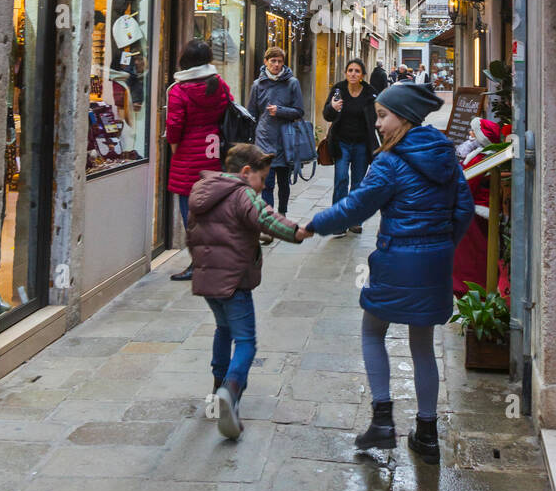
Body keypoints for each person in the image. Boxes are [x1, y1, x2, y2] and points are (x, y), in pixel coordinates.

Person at [304, 82, 475, 464]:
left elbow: (354, 208)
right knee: (422, 346)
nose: (377, 124)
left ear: (405, 117)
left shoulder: (389, 162)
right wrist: (442, 245)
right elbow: (463, 209)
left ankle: (382, 422)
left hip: (396, 259)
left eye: (383, 116)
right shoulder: (445, 155)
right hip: (433, 263)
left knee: (371, 332)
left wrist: (313, 225)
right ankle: (427, 434)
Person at [186, 143, 309, 439]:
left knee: (222, 329)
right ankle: (231, 390)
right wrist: (296, 231)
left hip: (208, 279)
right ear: (245, 172)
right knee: (246, 341)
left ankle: (218, 386)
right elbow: (266, 217)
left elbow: (195, 232)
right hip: (234, 280)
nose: (263, 186)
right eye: (262, 178)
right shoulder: (243, 194)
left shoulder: (202, 189)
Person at [166, 39, 232, 280]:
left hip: (188, 159)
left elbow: (174, 128)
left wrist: (176, 150)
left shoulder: (179, 90)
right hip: (214, 155)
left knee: (190, 214)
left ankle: (199, 264)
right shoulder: (220, 85)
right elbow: (228, 112)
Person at [247, 46, 304, 239]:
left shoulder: (292, 83)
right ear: (266, 62)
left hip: (286, 141)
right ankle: (270, 225)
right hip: (264, 141)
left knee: (284, 183)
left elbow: (299, 111)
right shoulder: (258, 85)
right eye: (273, 61)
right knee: (267, 184)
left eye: (279, 61)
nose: (276, 65)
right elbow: (251, 114)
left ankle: (283, 214)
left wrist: (280, 111)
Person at [322, 59, 379, 236]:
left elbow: (378, 119)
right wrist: (332, 107)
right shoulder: (338, 89)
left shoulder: (370, 93)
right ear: (346, 73)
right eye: (350, 70)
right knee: (340, 179)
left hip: (362, 144)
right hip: (341, 143)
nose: (353, 74)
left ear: (362, 75)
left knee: (358, 183)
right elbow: (327, 115)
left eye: (357, 71)